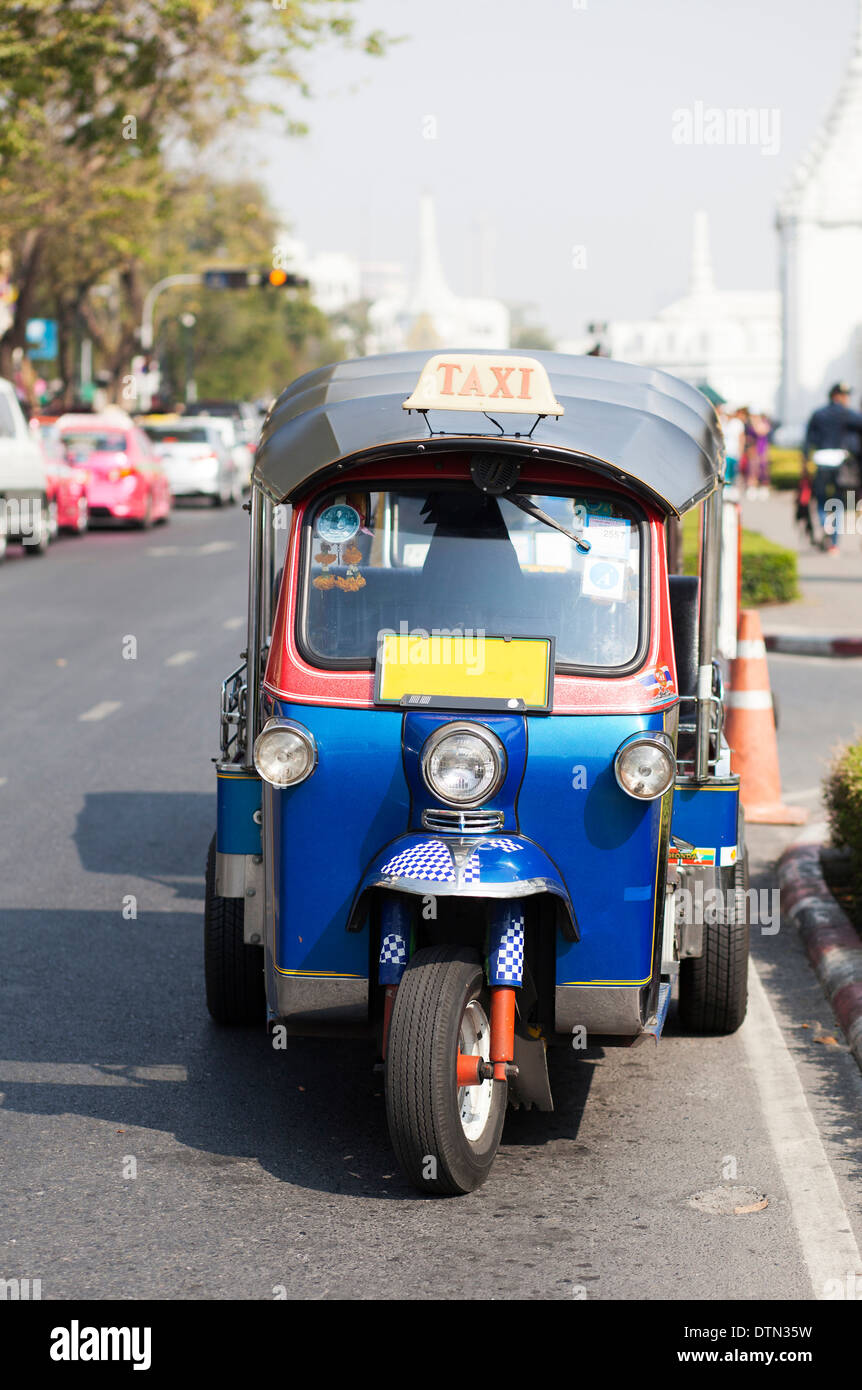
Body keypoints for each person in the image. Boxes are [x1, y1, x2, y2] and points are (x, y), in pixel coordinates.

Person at [803, 382, 862, 553]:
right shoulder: (847, 414)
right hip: (840, 462)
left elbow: (808, 440)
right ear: (839, 396)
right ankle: (833, 541)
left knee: (821, 499)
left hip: (821, 459)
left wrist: (805, 462)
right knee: (837, 502)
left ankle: (824, 525)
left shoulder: (818, 414)